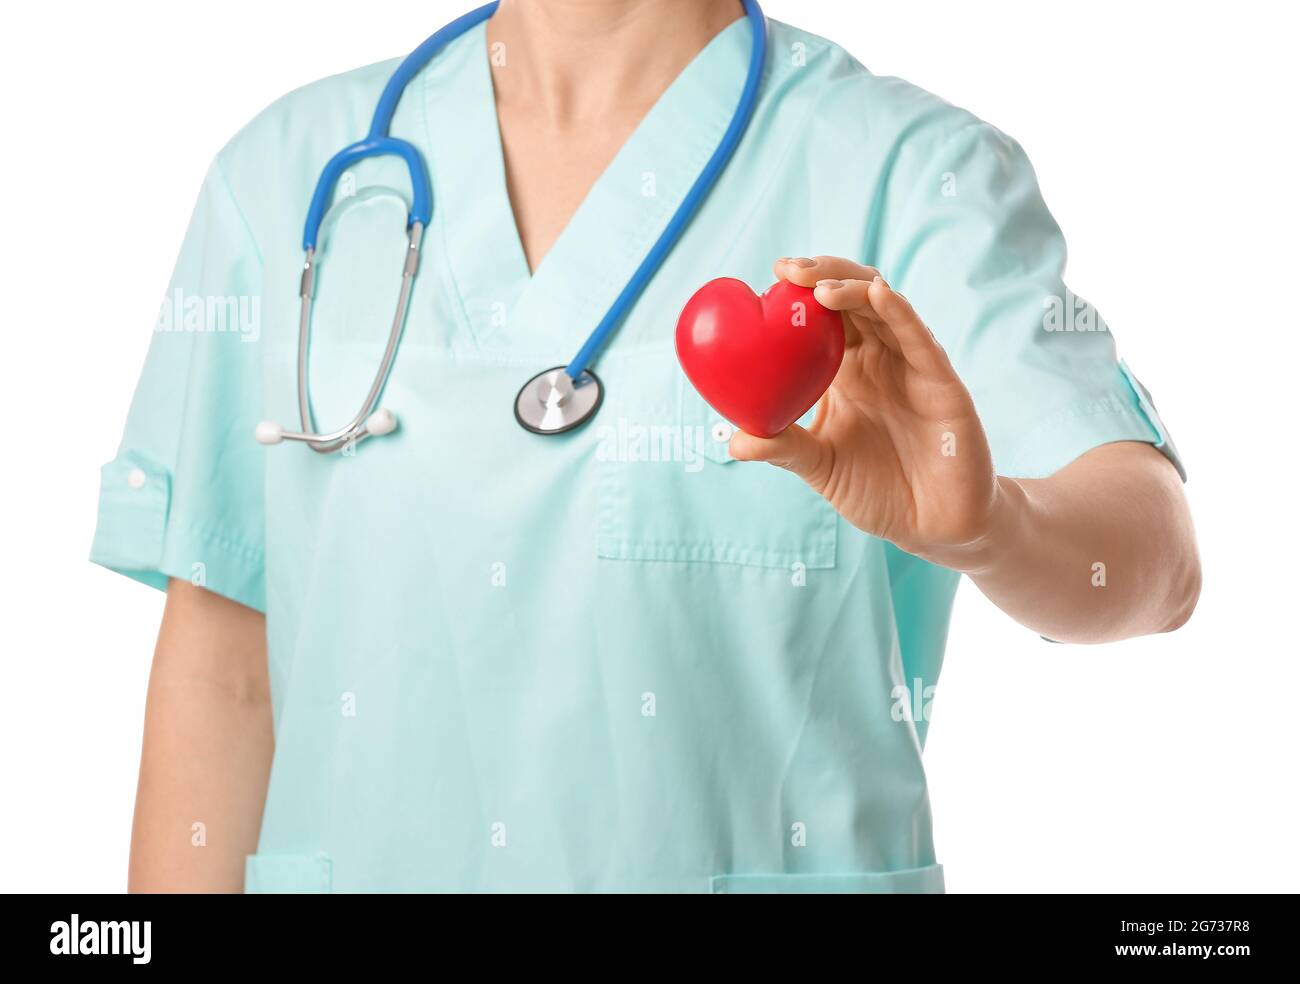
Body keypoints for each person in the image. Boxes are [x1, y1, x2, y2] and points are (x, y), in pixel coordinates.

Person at [91, 0, 1199, 893]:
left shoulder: (909, 175)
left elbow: (1153, 562)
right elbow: (227, 669)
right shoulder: (286, 178)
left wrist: (992, 527)